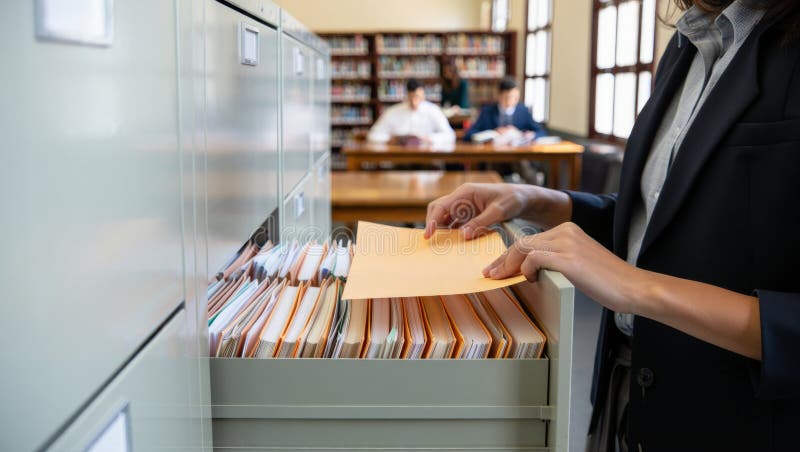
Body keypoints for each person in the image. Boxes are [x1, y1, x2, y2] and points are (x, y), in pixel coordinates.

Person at [425, 1, 800, 451]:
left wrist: (640, 287)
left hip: (740, 420)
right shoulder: (687, 44)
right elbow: (658, 221)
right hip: (627, 391)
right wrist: (536, 201)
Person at [367, 78, 455, 146]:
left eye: (417, 97)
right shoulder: (393, 111)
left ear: (423, 95)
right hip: (398, 158)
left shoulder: (433, 111)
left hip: (426, 158)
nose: (414, 102)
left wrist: (429, 139)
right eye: (411, 97)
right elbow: (373, 135)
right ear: (406, 95)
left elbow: (450, 136)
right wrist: (390, 139)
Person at [463, 78, 547, 142]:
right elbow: (469, 134)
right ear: (499, 96)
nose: (511, 101)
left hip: (517, 155)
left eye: (515, 97)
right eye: (507, 97)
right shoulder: (487, 111)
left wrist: (531, 135)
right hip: (492, 155)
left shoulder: (523, 111)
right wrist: (493, 132)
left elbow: (541, 132)